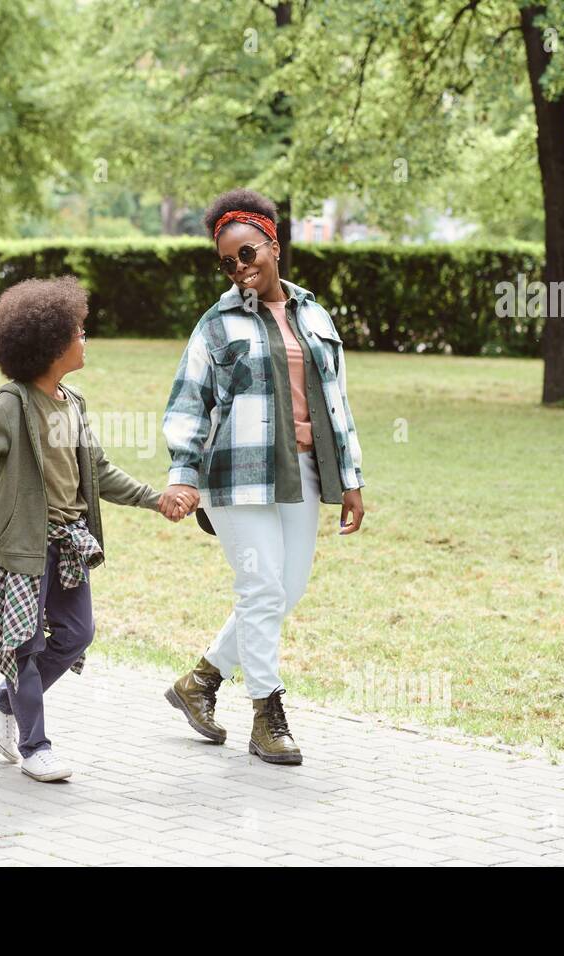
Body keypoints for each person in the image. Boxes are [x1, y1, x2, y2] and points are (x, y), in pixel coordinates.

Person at [0, 277, 193, 782]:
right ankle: (36, 747)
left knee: (77, 635)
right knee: (26, 646)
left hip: (69, 544)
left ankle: (3, 701)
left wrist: (155, 498)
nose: (86, 339)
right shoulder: (11, 404)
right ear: (53, 344)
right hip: (25, 549)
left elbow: (96, 472)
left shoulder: (71, 402)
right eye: (80, 332)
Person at [162, 188, 366, 766]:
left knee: (287, 589)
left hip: (302, 468)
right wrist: (184, 476)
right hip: (235, 474)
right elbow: (187, 406)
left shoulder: (315, 314)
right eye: (227, 263)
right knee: (261, 589)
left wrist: (350, 479)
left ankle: (200, 681)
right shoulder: (217, 324)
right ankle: (267, 715)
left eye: (248, 255)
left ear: (273, 246)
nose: (239, 270)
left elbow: (338, 403)